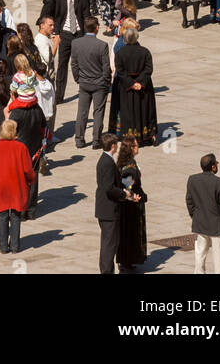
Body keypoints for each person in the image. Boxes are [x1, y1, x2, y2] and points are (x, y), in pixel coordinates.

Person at [0, 118, 36, 255]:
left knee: (2, 215)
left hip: (0, 186)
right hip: (17, 186)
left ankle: (3, 245)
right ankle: (14, 245)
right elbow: (28, 170)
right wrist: (31, 181)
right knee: (15, 216)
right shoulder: (21, 147)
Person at [185, 151, 220, 274]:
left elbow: (189, 201)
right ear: (213, 167)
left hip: (200, 224)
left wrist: (195, 216)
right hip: (217, 226)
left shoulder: (192, 180)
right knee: (218, 257)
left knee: (200, 254)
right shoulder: (219, 183)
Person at [96, 131, 137, 275]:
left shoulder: (104, 160)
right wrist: (124, 193)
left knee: (108, 243)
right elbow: (109, 188)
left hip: (104, 208)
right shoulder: (107, 163)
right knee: (109, 244)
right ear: (113, 146)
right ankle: (107, 271)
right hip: (109, 210)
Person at [71, 16, 112, 148]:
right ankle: (96, 140)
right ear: (97, 28)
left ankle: (79, 139)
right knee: (98, 112)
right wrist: (106, 82)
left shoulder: (76, 43)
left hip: (84, 82)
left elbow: (74, 64)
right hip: (99, 83)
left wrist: (78, 78)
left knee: (82, 112)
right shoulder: (102, 45)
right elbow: (106, 67)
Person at [114, 28, 157, 146]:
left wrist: (131, 83)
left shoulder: (120, 53)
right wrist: (140, 82)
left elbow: (120, 70)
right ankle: (146, 135)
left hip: (126, 88)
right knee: (145, 110)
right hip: (144, 87)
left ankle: (130, 137)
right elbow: (148, 69)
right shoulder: (145, 51)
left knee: (128, 112)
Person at [116, 136, 147, 273]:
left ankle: (129, 260)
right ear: (131, 149)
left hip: (131, 205)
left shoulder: (128, 163)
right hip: (130, 206)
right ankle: (125, 261)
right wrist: (133, 196)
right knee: (129, 233)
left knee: (131, 233)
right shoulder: (129, 167)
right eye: (136, 145)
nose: (138, 147)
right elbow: (126, 185)